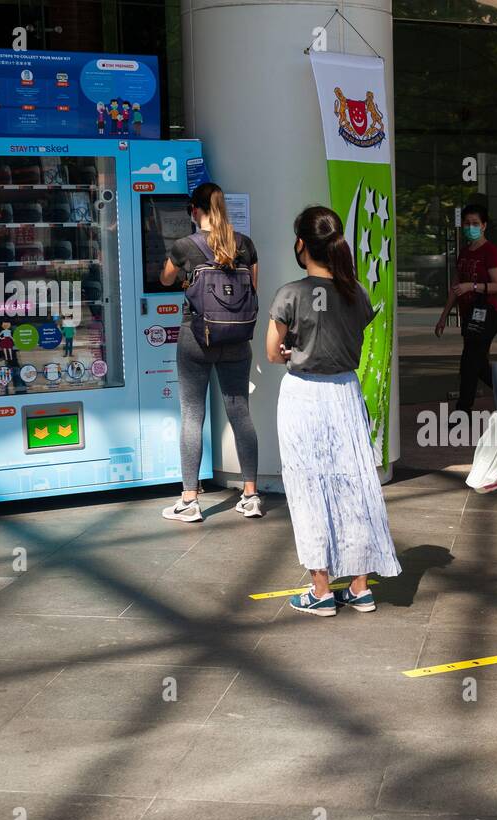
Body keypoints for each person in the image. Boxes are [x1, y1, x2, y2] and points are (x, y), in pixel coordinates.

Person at [267, 206, 402, 615]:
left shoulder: (290, 293)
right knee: (354, 484)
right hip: (345, 392)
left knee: (309, 486)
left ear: (302, 245)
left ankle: (321, 591)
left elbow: (274, 353)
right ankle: (360, 587)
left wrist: (295, 348)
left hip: (303, 396)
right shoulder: (356, 292)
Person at [158, 182, 262, 523]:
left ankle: (190, 500)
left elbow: (164, 280)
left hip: (196, 339)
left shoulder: (184, 245)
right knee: (240, 413)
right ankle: (250, 495)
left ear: (194, 210)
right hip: (236, 340)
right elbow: (252, 291)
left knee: (192, 414)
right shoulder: (244, 245)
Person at [434, 203, 497, 414]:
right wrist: (443, 317)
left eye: (475, 223)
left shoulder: (490, 252)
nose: (470, 227)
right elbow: (455, 289)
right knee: (478, 364)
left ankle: (462, 411)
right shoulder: (464, 252)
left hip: (487, 314)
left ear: (484, 226)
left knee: (469, 363)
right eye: (467, 224)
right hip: (469, 315)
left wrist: (472, 286)